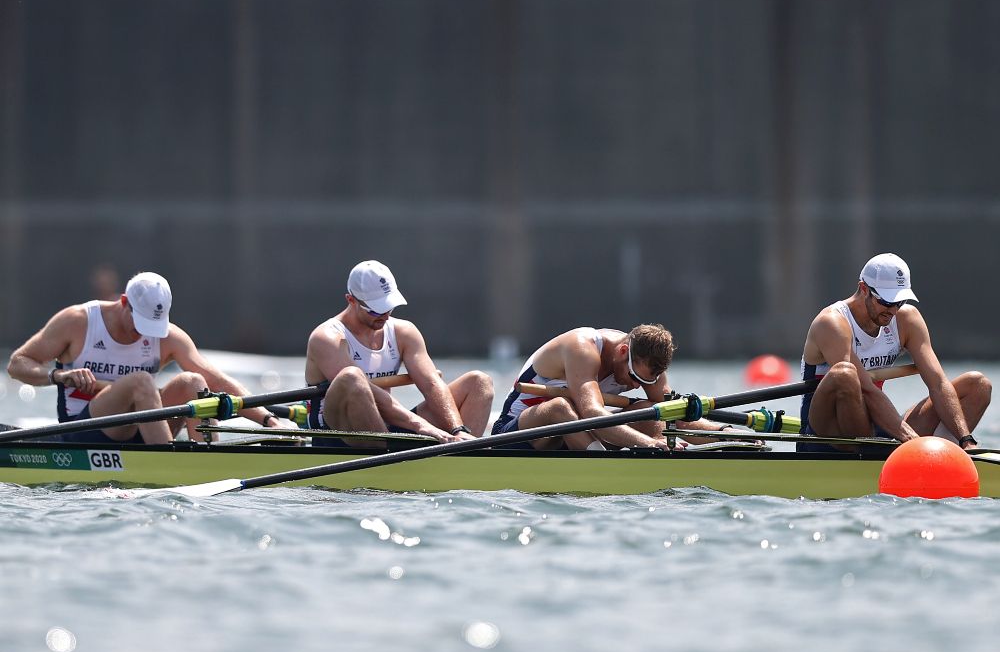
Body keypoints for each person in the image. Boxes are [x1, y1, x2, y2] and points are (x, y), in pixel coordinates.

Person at [7, 271, 283, 444]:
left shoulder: (169, 336)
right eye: (140, 323)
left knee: (195, 382)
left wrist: (269, 421)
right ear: (124, 302)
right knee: (141, 382)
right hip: (85, 430)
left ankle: (208, 458)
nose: (145, 333)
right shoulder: (78, 321)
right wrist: (58, 375)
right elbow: (18, 363)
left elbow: (217, 381)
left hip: (143, 429)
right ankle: (167, 463)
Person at [799, 253, 991, 452]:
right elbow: (867, 390)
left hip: (875, 423)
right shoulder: (832, 323)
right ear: (864, 289)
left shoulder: (906, 319)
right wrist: (912, 440)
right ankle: (889, 451)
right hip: (828, 432)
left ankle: (950, 453)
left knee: (978, 385)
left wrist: (966, 439)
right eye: (887, 302)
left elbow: (938, 384)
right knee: (845, 374)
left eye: (900, 302)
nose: (893, 310)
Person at [304, 260, 494, 445]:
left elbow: (431, 384)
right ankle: (389, 452)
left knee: (479, 382)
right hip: (339, 432)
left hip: (387, 424)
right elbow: (367, 391)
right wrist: (422, 426)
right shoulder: (327, 338)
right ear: (351, 300)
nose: (385, 316)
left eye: (389, 307)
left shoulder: (403, 332)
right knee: (352, 377)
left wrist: (456, 429)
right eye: (376, 310)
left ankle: (463, 449)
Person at [491, 324, 735, 450]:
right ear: (622, 351)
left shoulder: (645, 363)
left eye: (646, 381)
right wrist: (647, 442)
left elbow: (673, 414)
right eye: (634, 377)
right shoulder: (582, 348)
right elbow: (591, 413)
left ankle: (666, 458)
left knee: (649, 411)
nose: (636, 385)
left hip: (573, 438)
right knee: (560, 408)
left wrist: (725, 434)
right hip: (516, 435)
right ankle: (603, 463)